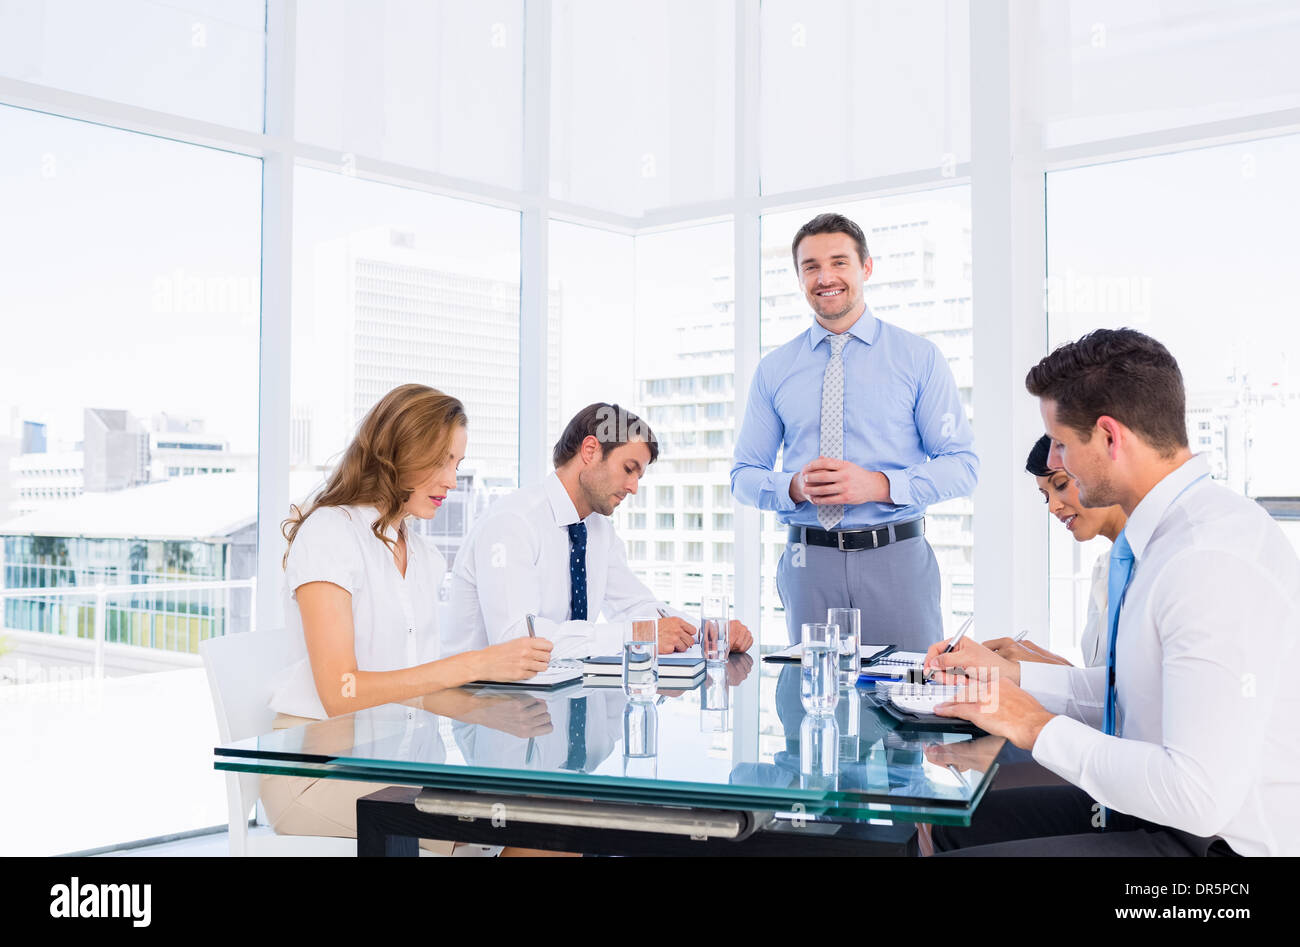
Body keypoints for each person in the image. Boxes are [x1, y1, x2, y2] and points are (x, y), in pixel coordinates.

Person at [922, 328, 1300, 856]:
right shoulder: (1167, 535)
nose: (1058, 461)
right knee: (952, 826)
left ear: (1108, 436)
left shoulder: (1206, 559)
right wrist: (1009, 680)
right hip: (1156, 813)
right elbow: (1137, 693)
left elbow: (1198, 796)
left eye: (1060, 444)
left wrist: (1033, 724)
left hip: (1216, 849)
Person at [263, 383, 554, 856]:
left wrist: (495, 712)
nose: (452, 481)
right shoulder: (330, 532)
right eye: (441, 461)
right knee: (527, 825)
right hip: (319, 772)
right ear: (396, 453)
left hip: (395, 761)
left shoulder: (421, 553)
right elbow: (341, 693)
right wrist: (475, 665)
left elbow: (415, 684)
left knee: (557, 812)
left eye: (457, 464)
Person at [730, 213, 978, 650]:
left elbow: (962, 467)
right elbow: (744, 475)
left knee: (907, 702)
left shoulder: (919, 358)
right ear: (799, 277)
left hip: (897, 559)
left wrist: (879, 485)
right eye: (811, 267)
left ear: (866, 267)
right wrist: (794, 486)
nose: (825, 277)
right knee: (812, 703)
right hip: (809, 562)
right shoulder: (774, 370)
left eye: (839, 262)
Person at [445, 402, 753, 660]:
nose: (633, 487)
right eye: (629, 469)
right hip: (488, 709)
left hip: (555, 698)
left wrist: (709, 632)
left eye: (639, 476)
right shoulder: (513, 521)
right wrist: (638, 635)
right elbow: (516, 638)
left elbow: (634, 605)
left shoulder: (598, 530)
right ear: (590, 450)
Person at [982, 435, 1127, 668]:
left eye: (1060, 485)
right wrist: (1041, 662)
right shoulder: (1105, 566)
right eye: (1046, 497)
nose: (1053, 507)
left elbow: (1128, 697)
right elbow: (1105, 685)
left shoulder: (1155, 562)